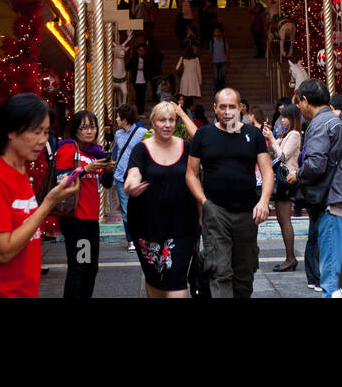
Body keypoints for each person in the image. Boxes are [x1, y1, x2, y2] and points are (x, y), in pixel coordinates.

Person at [0, 94, 79, 297]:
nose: (42, 141)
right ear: (10, 131)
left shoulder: (20, 169)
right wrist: (48, 204)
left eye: (45, 132)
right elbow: (2, 251)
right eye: (35, 132)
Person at [186, 87, 273, 298]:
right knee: (219, 269)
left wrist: (263, 202)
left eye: (232, 106)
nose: (227, 111)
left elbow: (267, 171)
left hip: (247, 213)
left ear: (240, 108)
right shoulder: (203, 135)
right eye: (222, 107)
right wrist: (205, 203)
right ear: (214, 108)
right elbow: (191, 173)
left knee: (245, 272)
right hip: (216, 211)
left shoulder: (253, 134)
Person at [290, 78, 342, 297]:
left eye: (299, 102)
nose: (299, 108)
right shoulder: (334, 121)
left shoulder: (320, 124)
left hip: (333, 205)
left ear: (304, 100)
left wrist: (296, 175)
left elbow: (315, 165)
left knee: (332, 278)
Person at [125, 101, 200, 298]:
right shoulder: (141, 150)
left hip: (182, 227)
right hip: (147, 226)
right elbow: (133, 173)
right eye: (162, 120)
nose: (167, 124)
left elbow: (201, 139)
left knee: (176, 282)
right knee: (155, 280)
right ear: (153, 122)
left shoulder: (187, 147)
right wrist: (131, 185)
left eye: (171, 120)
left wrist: (182, 114)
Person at [54, 111, 113, 298]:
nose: (89, 131)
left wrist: (109, 169)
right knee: (80, 267)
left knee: (90, 268)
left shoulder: (95, 152)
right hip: (76, 219)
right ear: (75, 129)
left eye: (93, 126)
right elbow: (61, 178)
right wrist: (84, 169)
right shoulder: (68, 149)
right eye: (84, 127)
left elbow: (107, 184)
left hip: (90, 218)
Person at [264, 103, 303, 272]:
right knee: (282, 219)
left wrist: (273, 140)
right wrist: (271, 137)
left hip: (287, 180)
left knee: (285, 220)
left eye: (286, 117)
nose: (283, 120)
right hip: (282, 179)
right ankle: (289, 257)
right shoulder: (287, 134)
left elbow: (282, 156)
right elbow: (272, 152)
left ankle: (290, 258)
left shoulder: (294, 134)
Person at [112, 104, 147, 252]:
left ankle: (143, 237)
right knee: (126, 210)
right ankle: (130, 239)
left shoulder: (143, 133)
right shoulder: (118, 134)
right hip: (121, 176)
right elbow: (115, 153)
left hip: (138, 176)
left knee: (141, 208)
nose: (116, 119)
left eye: (118, 116)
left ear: (125, 118)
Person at [128, 42, 152, 113]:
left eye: (143, 50)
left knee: (142, 96)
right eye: (140, 50)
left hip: (143, 80)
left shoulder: (146, 59)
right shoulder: (134, 58)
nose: (141, 52)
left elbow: (148, 70)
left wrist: (148, 80)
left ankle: (141, 112)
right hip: (136, 80)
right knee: (137, 97)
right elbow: (128, 67)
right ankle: (137, 112)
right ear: (137, 51)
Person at [209, 26, 229, 92]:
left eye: (218, 31)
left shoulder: (224, 40)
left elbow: (227, 51)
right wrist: (210, 61)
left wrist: (228, 60)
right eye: (215, 31)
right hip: (215, 61)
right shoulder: (212, 41)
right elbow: (211, 52)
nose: (217, 33)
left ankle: (222, 87)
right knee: (216, 77)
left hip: (223, 60)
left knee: (223, 75)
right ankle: (217, 89)